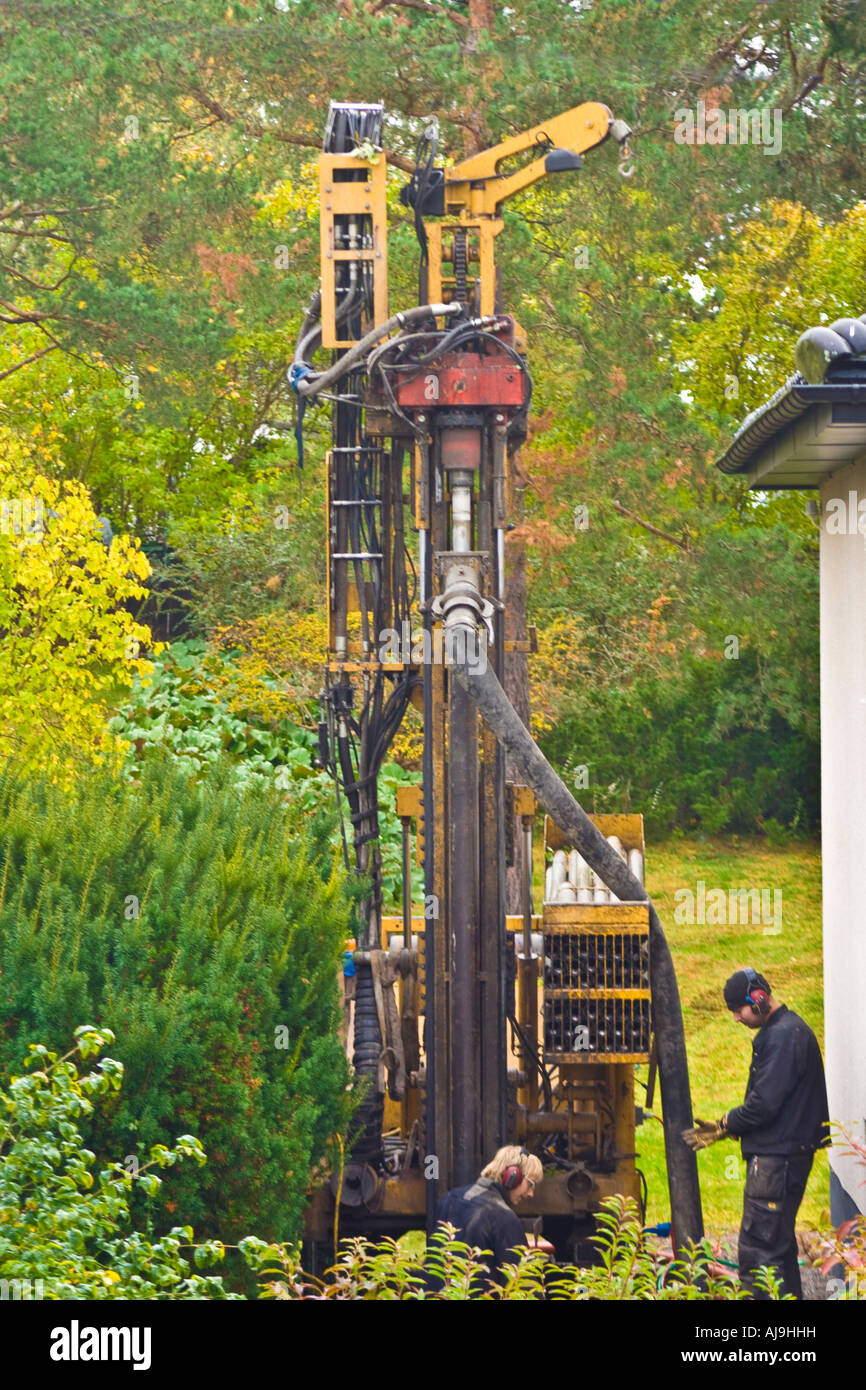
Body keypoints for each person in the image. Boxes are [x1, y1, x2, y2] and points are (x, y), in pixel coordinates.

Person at [682, 968, 829, 1300]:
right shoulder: (786, 1032)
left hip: (776, 1161)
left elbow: (763, 1105)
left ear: (759, 999)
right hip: (786, 1155)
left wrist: (726, 1123)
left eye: (739, 1010)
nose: (736, 1018)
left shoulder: (783, 1037)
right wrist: (728, 1127)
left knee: (758, 1253)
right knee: (779, 1247)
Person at [434, 1145, 543, 1284]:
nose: (531, 1193)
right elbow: (522, 1283)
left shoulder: (448, 1200)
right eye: (531, 1184)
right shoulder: (504, 1218)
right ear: (513, 1175)